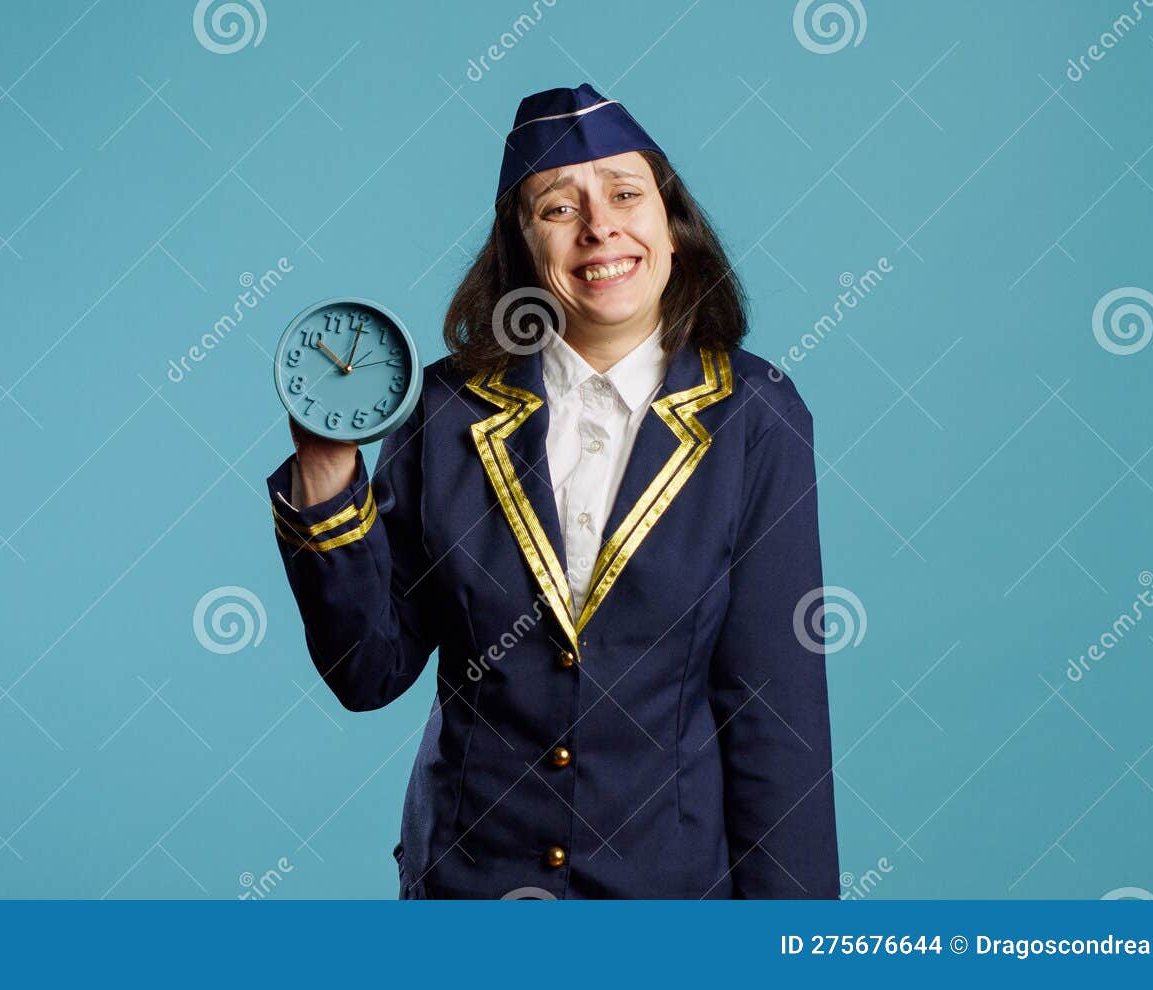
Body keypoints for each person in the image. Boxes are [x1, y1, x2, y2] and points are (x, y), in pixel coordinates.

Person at [266, 83, 838, 899]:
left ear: (673, 229)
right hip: (468, 891)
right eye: (558, 209)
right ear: (521, 249)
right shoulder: (443, 410)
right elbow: (370, 670)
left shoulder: (757, 414)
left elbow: (775, 711)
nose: (600, 226)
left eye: (626, 195)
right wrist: (326, 470)